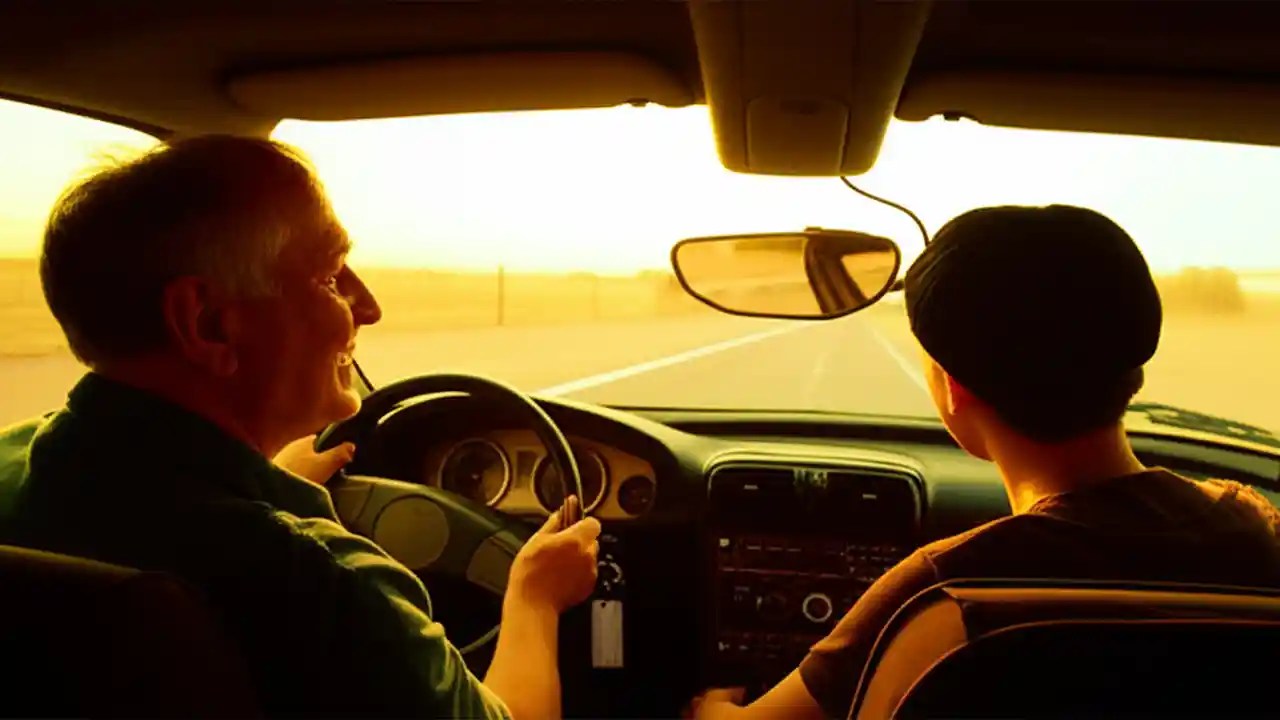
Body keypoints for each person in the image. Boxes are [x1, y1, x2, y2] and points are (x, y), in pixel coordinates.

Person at [0, 136, 601, 719]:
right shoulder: (328, 589)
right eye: (331, 276)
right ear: (208, 324)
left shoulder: (16, 469)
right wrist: (534, 596)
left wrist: (266, 478)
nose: (369, 308)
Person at [690, 205, 1280, 720]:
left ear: (954, 389)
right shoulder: (1256, 535)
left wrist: (712, 703)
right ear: (1133, 367)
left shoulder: (947, 593)